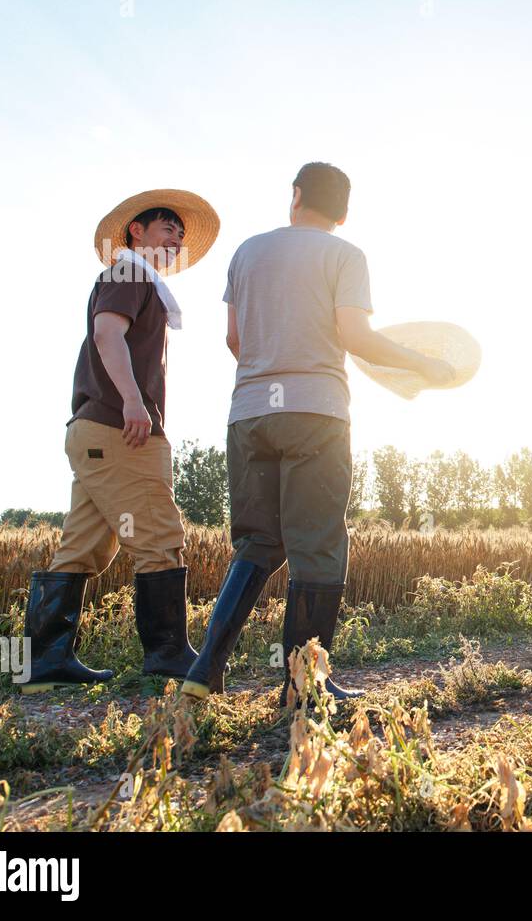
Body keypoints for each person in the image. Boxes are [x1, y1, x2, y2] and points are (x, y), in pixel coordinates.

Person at [183, 163, 452, 704]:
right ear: (344, 214)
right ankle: (304, 686)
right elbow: (357, 337)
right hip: (317, 413)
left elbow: (234, 339)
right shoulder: (345, 255)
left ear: (296, 196)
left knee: (258, 542)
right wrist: (423, 364)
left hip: (249, 413)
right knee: (319, 547)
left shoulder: (247, 252)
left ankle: (204, 669)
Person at [20, 190, 220, 694]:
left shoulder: (137, 279)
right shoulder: (130, 273)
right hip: (120, 430)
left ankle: (45, 663)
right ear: (136, 231)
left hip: (95, 433)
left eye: (180, 233)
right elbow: (107, 334)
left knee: (84, 546)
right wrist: (133, 401)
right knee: (158, 535)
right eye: (167, 228)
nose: (176, 239)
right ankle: (168, 654)